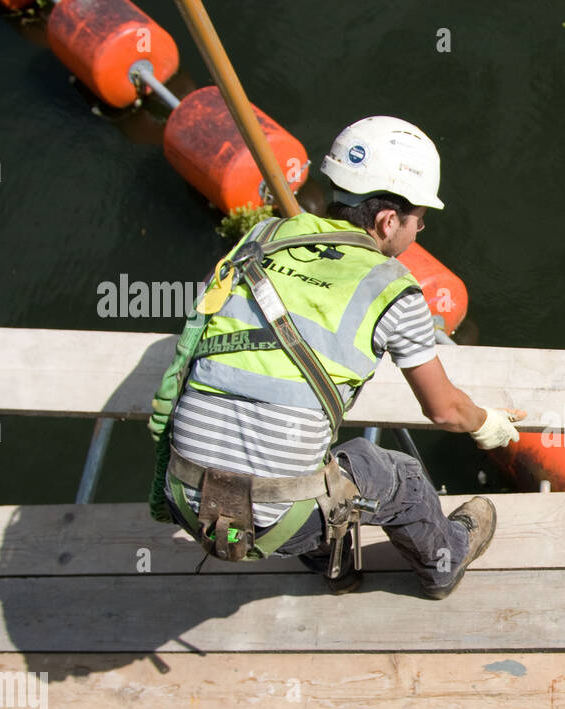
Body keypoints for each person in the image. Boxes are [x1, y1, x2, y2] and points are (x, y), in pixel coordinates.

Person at [156, 115, 524, 598]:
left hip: (187, 498)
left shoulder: (261, 239)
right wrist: (487, 425)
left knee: (314, 460)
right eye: (419, 222)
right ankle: (445, 563)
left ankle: (335, 570)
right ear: (388, 222)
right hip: (273, 526)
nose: (420, 231)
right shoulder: (393, 289)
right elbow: (443, 410)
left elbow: (202, 320)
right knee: (392, 472)